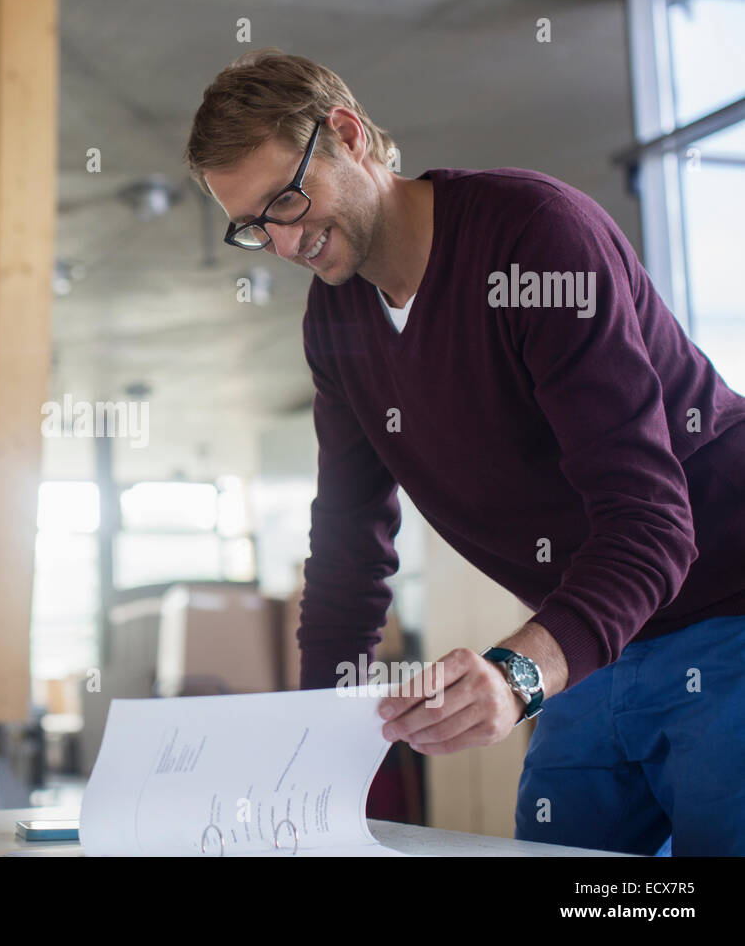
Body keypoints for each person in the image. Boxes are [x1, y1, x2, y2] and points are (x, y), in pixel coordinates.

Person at [185, 48, 745, 856]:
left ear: (347, 135)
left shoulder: (533, 237)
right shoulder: (335, 326)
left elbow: (653, 524)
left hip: (724, 607)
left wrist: (519, 675)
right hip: (594, 634)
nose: (281, 241)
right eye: (252, 225)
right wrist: (308, 749)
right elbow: (347, 553)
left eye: (286, 199)